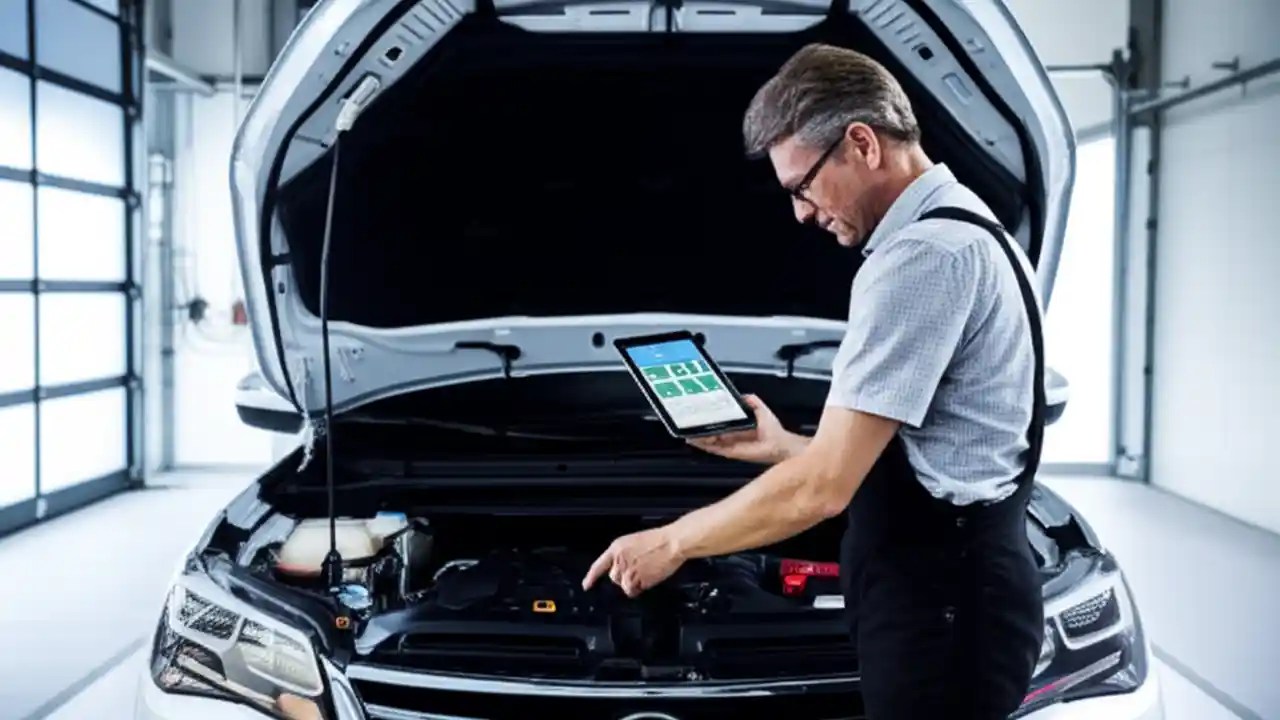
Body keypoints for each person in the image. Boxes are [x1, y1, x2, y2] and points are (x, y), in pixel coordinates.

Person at [582, 43, 1047, 719]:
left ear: (862, 143)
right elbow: (922, 454)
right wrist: (781, 445)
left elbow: (825, 491)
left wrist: (671, 542)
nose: (801, 213)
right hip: (960, 599)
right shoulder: (977, 228)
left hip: (943, 615)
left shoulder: (918, 259)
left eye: (803, 185)